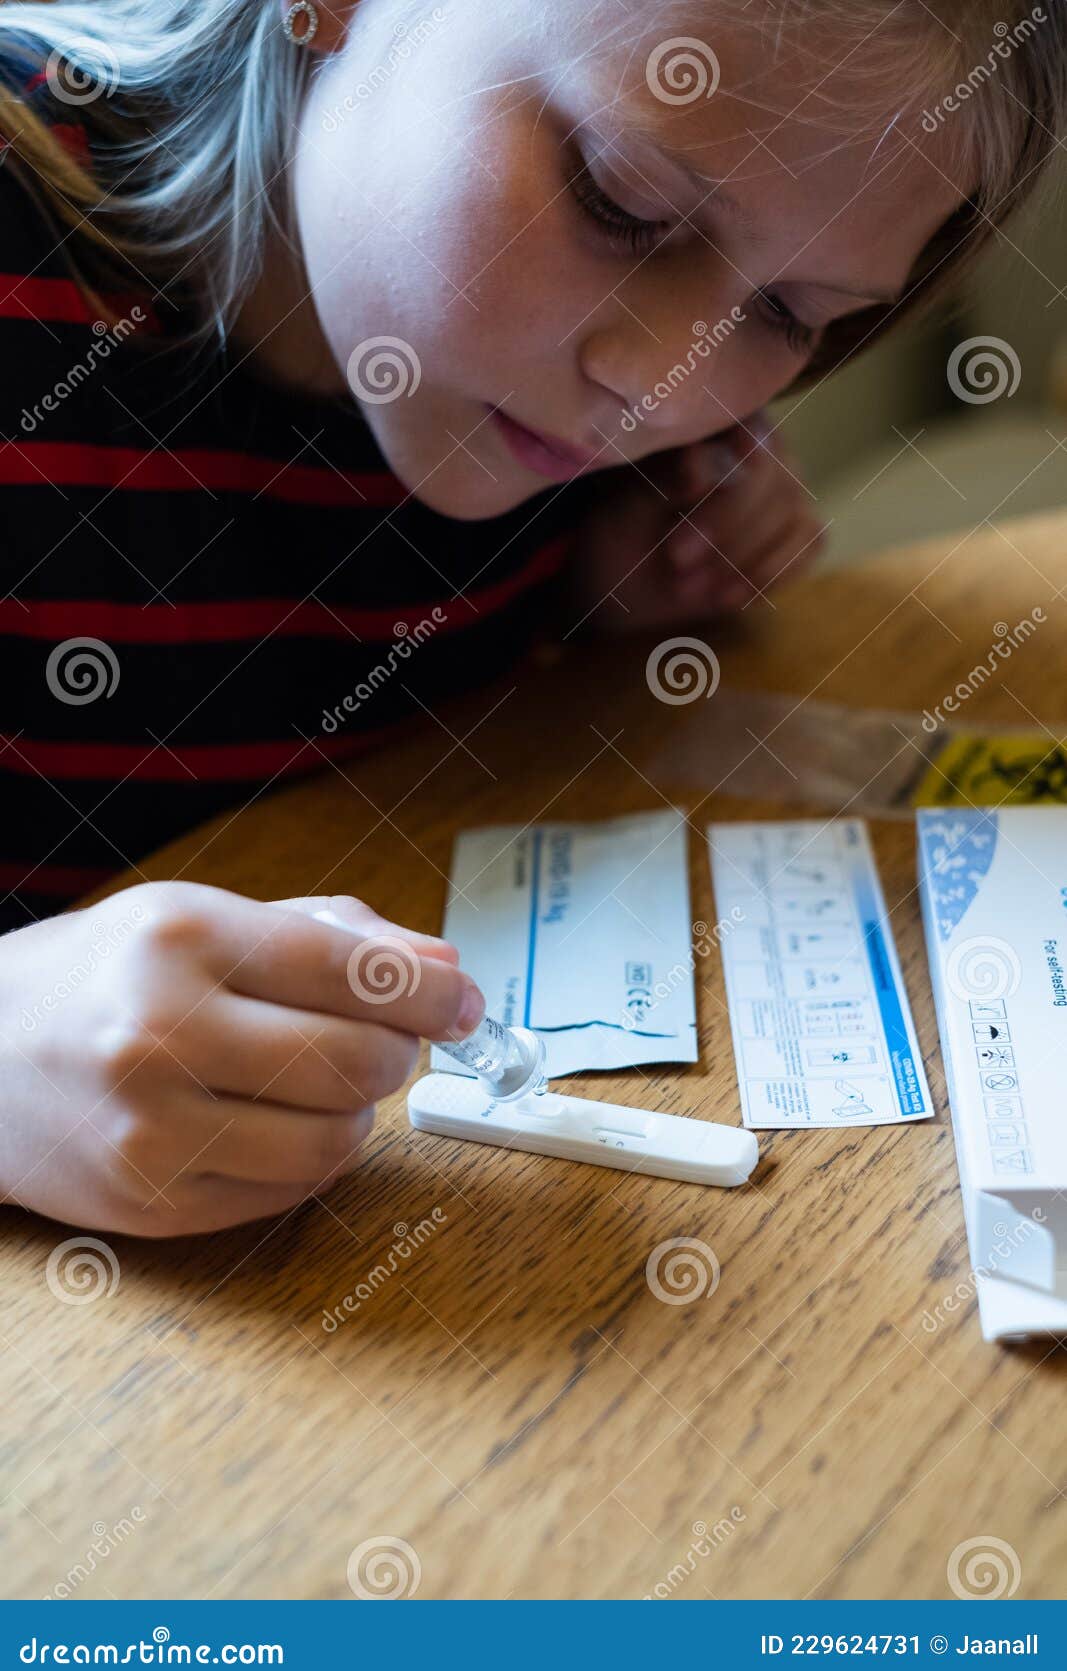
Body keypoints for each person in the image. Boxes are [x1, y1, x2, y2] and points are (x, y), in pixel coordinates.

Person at [0, 0, 1063, 1234]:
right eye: (621, 205)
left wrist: (595, 595)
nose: (665, 378)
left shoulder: (601, 431)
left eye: (789, 314)